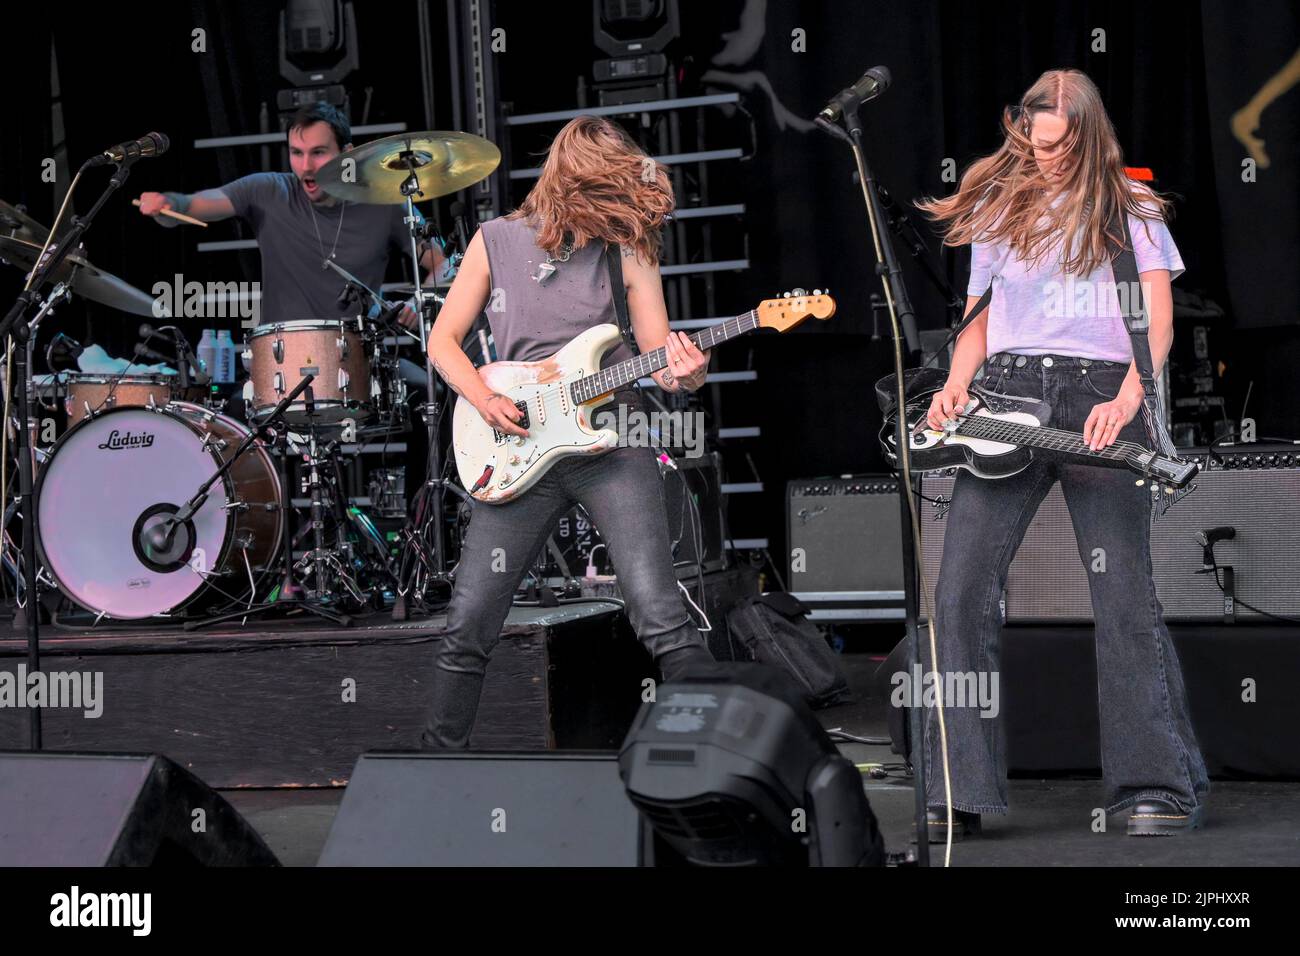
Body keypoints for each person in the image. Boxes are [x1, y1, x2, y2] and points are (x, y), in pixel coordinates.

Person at [914, 69, 1209, 839]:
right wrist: (954, 386)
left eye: (1056, 145)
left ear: (1086, 135)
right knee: (958, 592)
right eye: (1033, 142)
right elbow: (978, 319)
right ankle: (959, 788)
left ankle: (1154, 788)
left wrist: (1129, 396)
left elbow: (1156, 320)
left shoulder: (1129, 206)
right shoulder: (999, 205)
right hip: (1005, 399)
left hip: (1098, 397)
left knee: (1120, 594)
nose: (1042, 156)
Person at [419, 116, 715, 749]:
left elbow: (661, 357)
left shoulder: (628, 246)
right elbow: (442, 340)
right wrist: (483, 396)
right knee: (470, 621)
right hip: (519, 441)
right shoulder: (495, 239)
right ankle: (435, 766)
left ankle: (712, 752)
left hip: (613, 437)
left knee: (659, 611)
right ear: (573, 182)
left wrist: (688, 375)